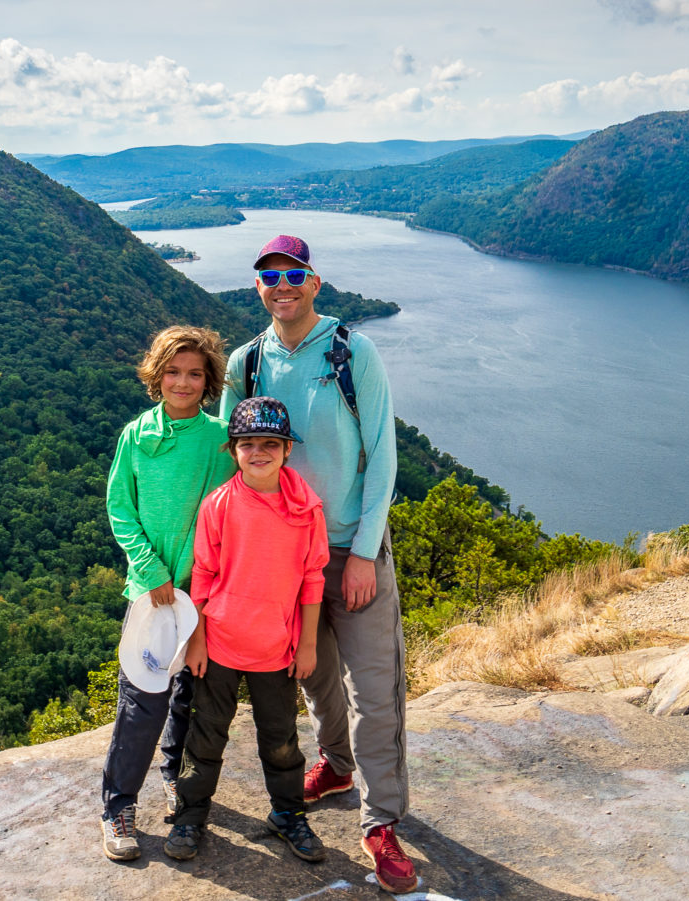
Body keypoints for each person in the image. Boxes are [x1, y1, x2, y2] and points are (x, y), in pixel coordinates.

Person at [220, 234, 418, 893]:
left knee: (373, 686)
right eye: (270, 274)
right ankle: (335, 763)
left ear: (314, 281)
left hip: (349, 549)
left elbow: (382, 456)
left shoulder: (351, 352)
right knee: (314, 674)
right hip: (281, 560)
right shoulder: (246, 363)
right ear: (258, 287)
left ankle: (381, 821)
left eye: (293, 273)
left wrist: (363, 554)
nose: (282, 284)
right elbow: (232, 458)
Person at [167, 395, 330, 865]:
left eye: (270, 443)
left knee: (280, 741)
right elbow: (203, 575)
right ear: (232, 450)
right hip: (218, 643)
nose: (258, 452)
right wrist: (195, 639)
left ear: (286, 449)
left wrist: (307, 644)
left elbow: (313, 578)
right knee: (206, 737)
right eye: (247, 444)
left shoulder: (306, 509)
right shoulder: (219, 505)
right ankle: (191, 814)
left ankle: (287, 814)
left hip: (277, 648)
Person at [99, 326, 237, 864]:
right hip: (151, 592)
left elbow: (229, 515)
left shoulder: (219, 438)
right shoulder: (137, 435)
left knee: (190, 695)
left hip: (200, 592)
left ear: (209, 382)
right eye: (174, 371)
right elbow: (120, 508)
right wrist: (149, 568)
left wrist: (203, 584)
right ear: (156, 376)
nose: (183, 381)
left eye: (195, 373)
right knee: (143, 698)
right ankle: (117, 804)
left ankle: (173, 777)